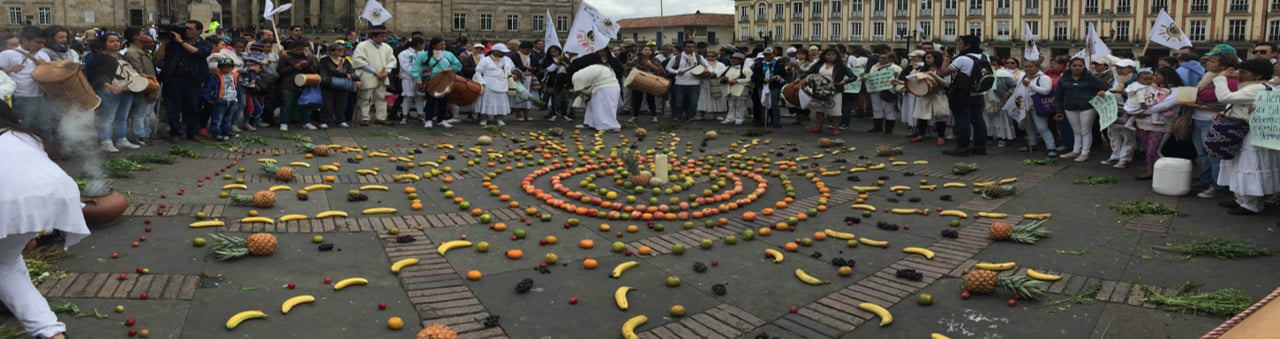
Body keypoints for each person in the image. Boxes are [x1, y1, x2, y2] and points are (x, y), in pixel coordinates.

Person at [0, 103, 87, 339]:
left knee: (6, 266)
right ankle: (51, 333)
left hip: (9, 202)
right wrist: (34, 232)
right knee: (7, 266)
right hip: (48, 197)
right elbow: (35, 183)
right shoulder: (25, 137)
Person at [1211, 59, 1280, 215]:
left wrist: (1220, 78)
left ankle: (1251, 204)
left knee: (1248, 167)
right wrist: (1224, 113)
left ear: (1258, 75)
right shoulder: (1260, 87)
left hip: (1250, 133)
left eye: (1244, 72)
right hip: (1244, 130)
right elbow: (1240, 105)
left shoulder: (1257, 88)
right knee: (1239, 166)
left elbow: (1224, 97)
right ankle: (1241, 198)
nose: (1239, 75)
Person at [156, 20, 214, 143]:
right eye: (185, 28)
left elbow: (199, 53)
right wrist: (165, 42)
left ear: (199, 31)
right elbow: (159, 57)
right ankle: (175, 133)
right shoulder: (174, 43)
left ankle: (193, 132)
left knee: (193, 107)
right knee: (173, 107)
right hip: (174, 79)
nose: (186, 31)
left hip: (193, 79)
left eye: (190, 29)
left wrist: (182, 42)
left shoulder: (205, 44)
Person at [937, 35, 993, 156]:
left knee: (962, 121)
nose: (958, 45)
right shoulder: (985, 56)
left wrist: (946, 57)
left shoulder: (962, 59)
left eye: (960, 43)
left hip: (963, 94)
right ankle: (980, 146)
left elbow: (943, 72)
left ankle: (962, 147)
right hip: (979, 93)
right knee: (978, 120)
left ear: (967, 45)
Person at [84, 32, 140, 152]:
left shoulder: (121, 57)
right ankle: (105, 140)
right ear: (104, 43)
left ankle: (121, 138)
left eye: (117, 41)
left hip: (125, 90)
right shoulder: (99, 58)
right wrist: (110, 87)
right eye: (111, 41)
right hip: (108, 90)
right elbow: (96, 75)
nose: (116, 43)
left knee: (122, 116)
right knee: (107, 116)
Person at [0, 26, 53, 139]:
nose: (41, 46)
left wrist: (46, 67)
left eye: (43, 43)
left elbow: (50, 76)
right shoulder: (8, 54)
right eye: (38, 42)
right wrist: (10, 69)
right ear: (24, 41)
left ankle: (47, 148)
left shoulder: (44, 55)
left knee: (45, 127)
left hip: (41, 97)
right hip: (20, 98)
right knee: (22, 128)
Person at [1053, 57, 1108, 162]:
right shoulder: (1064, 79)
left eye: (1080, 66)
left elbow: (1104, 88)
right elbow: (1058, 95)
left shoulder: (1090, 77)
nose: (1077, 68)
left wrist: (1098, 94)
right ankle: (1076, 150)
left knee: (1085, 130)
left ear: (1084, 66)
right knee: (1076, 130)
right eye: (1074, 66)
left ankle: (1085, 152)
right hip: (1070, 107)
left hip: (1087, 107)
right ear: (1070, 66)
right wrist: (1058, 110)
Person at [804, 48, 856, 135]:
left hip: (835, 90)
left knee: (835, 110)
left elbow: (853, 77)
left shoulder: (841, 66)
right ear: (824, 56)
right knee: (819, 110)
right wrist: (799, 79)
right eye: (828, 54)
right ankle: (818, 127)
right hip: (819, 91)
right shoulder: (819, 65)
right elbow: (808, 73)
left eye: (833, 54)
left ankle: (836, 128)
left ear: (837, 56)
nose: (830, 56)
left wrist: (845, 81)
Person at [412, 37, 461, 128]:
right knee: (430, 101)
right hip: (430, 80)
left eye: (444, 44)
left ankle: (441, 120)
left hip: (445, 81)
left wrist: (451, 69)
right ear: (434, 45)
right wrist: (417, 78)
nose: (443, 46)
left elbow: (458, 65)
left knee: (443, 101)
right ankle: (428, 120)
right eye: (441, 44)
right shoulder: (424, 55)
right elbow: (416, 67)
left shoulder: (449, 54)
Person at [351, 26, 397, 126]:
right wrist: (374, 71)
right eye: (381, 36)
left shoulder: (387, 47)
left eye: (384, 36)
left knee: (381, 97)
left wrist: (386, 72)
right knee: (365, 97)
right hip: (367, 74)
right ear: (374, 36)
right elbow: (358, 60)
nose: (384, 38)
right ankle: (365, 117)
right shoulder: (362, 46)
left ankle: (381, 117)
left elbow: (391, 60)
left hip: (382, 75)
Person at [906, 51, 953, 146]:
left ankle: (940, 136)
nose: (927, 60)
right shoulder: (923, 69)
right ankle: (921, 134)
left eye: (929, 57)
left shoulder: (943, 69)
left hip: (938, 94)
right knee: (921, 115)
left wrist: (934, 75)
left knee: (940, 115)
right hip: (924, 95)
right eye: (926, 58)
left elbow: (947, 84)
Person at [123, 32, 158, 145]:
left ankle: (146, 132)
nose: (147, 35)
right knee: (139, 112)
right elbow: (139, 73)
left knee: (145, 112)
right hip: (143, 86)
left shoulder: (143, 51)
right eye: (143, 33)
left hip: (150, 85)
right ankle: (139, 135)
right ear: (136, 36)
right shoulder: (132, 53)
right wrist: (149, 89)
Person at [571, 52, 621, 132]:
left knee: (603, 108)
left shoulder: (580, 74)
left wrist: (574, 98)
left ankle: (608, 126)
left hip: (606, 88)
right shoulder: (603, 66)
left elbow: (577, 89)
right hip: (606, 87)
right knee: (592, 106)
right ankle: (590, 123)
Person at [1017, 58, 1057, 156]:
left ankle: (1051, 147)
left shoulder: (1043, 78)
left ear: (1038, 67)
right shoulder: (1024, 77)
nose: (1028, 69)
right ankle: (1032, 144)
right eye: (1026, 66)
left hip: (1038, 107)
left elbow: (1046, 91)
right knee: (1029, 127)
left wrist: (1030, 85)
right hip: (1026, 106)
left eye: (1030, 66)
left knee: (1042, 127)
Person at [276, 39, 318, 131]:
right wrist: (294, 67)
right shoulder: (285, 57)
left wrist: (306, 66)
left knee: (305, 103)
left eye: (301, 49)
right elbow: (280, 70)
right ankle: (284, 122)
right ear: (292, 49)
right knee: (286, 103)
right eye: (297, 50)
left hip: (304, 82)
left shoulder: (309, 57)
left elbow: (314, 70)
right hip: (289, 83)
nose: (299, 51)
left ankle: (306, 122)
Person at [666, 40, 710, 122]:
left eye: (693, 47)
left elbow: (708, 66)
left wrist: (707, 71)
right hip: (679, 83)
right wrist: (676, 72)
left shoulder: (699, 57)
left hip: (694, 83)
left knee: (693, 102)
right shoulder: (676, 57)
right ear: (683, 48)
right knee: (678, 102)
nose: (691, 49)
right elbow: (668, 67)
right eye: (688, 47)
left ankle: (690, 117)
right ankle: (677, 116)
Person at [473, 43, 515, 126]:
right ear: (495, 51)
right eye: (501, 52)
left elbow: (512, 69)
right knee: (486, 102)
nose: (503, 53)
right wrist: (482, 83)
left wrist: (513, 75)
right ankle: (484, 118)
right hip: (488, 84)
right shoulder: (485, 60)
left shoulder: (507, 60)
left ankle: (499, 118)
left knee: (501, 101)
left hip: (503, 84)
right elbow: (478, 72)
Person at [319, 43, 357, 128]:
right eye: (339, 50)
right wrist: (344, 75)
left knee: (342, 103)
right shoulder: (324, 60)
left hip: (343, 85)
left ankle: (340, 120)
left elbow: (351, 72)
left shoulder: (345, 61)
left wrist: (355, 79)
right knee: (327, 104)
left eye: (342, 50)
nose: (342, 51)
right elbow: (329, 72)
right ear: (331, 51)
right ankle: (325, 120)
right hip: (328, 84)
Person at [202, 58, 240, 141]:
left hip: (231, 100)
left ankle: (226, 131)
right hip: (220, 100)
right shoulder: (215, 77)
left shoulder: (234, 76)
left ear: (232, 68)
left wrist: (236, 97)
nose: (225, 69)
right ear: (219, 68)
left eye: (228, 67)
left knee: (228, 118)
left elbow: (236, 87)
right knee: (217, 119)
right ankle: (216, 133)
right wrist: (207, 98)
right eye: (223, 67)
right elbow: (207, 88)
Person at [867, 46, 902, 134]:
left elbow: (899, 78)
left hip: (888, 90)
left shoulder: (895, 68)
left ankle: (889, 129)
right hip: (875, 90)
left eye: (883, 58)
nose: (880, 59)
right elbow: (870, 76)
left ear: (890, 59)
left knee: (889, 109)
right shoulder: (874, 66)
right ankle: (877, 127)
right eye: (880, 57)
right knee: (876, 108)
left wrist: (895, 76)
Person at [751, 47, 788, 128]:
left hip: (774, 86)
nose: (767, 56)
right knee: (763, 103)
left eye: (769, 55)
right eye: (765, 55)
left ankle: (776, 121)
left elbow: (784, 76)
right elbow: (754, 76)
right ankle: (763, 120)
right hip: (762, 86)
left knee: (774, 103)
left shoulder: (779, 64)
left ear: (774, 55)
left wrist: (777, 77)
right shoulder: (759, 65)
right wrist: (762, 79)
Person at [396, 38, 425, 124]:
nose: (424, 46)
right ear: (419, 44)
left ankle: (420, 115)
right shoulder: (404, 54)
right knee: (408, 97)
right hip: (408, 78)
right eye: (423, 44)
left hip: (420, 78)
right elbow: (405, 66)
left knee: (419, 97)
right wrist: (415, 73)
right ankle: (404, 116)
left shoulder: (422, 53)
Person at [541, 45, 573, 122]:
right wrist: (557, 63)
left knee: (565, 98)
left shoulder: (565, 59)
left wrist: (563, 62)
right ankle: (554, 113)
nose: (554, 53)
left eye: (555, 51)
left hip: (564, 81)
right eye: (552, 52)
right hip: (553, 81)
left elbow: (570, 68)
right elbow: (549, 69)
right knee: (555, 98)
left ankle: (564, 113)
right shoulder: (547, 60)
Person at [720, 52, 753, 125]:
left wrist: (737, 81)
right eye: (732, 58)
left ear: (741, 60)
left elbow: (749, 79)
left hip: (740, 89)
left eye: (735, 59)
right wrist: (724, 79)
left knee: (739, 104)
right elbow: (721, 76)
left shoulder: (745, 69)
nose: (733, 60)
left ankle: (739, 118)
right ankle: (730, 118)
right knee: (730, 104)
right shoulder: (728, 68)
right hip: (729, 89)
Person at [696, 50, 728, 121]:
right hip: (705, 84)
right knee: (703, 98)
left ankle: (716, 114)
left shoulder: (721, 65)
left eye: (712, 56)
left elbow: (724, 73)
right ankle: (701, 114)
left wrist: (715, 75)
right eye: (708, 56)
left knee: (716, 99)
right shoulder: (703, 64)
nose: (710, 58)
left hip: (717, 84)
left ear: (716, 57)